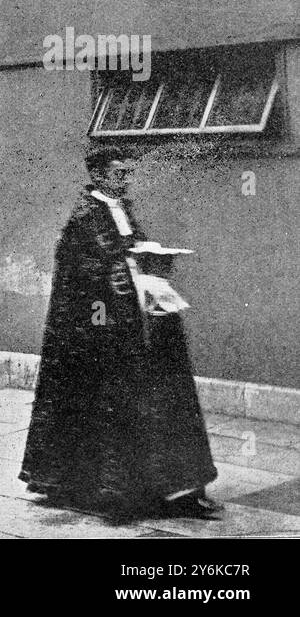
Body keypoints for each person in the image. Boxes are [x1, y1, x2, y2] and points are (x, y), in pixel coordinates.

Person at [20, 146, 220, 519]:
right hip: (103, 332)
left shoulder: (121, 209)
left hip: (139, 322)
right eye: (119, 174)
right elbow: (80, 278)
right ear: (97, 175)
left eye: (128, 173)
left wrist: (148, 258)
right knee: (113, 407)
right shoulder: (83, 218)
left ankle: (177, 487)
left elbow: (126, 251)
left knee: (163, 398)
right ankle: (112, 492)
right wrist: (123, 281)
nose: (126, 180)